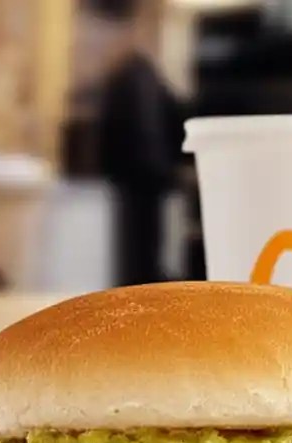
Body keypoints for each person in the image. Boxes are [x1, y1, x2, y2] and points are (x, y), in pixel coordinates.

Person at [91, 0, 185, 287]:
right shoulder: (138, 73)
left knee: (136, 247)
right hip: (144, 177)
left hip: (136, 178)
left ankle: (139, 292)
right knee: (143, 245)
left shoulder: (132, 73)